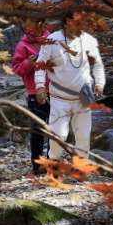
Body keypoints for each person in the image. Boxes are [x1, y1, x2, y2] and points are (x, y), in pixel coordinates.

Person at [34, 10, 105, 161]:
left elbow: (98, 65)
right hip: (60, 97)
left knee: (83, 136)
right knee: (59, 136)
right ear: (67, 21)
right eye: (77, 21)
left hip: (84, 96)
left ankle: (81, 167)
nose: (81, 25)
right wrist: (40, 86)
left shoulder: (89, 40)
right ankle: (53, 165)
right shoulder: (52, 40)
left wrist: (99, 83)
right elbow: (40, 65)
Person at [11, 23, 49, 174]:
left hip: (54, 91)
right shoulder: (23, 45)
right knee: (37, 131)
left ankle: (52, 162)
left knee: (56, 130)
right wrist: (29, 63)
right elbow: (17, 69)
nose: (33, 30)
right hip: (34, 92)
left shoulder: (50, 40)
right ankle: (37, 165)